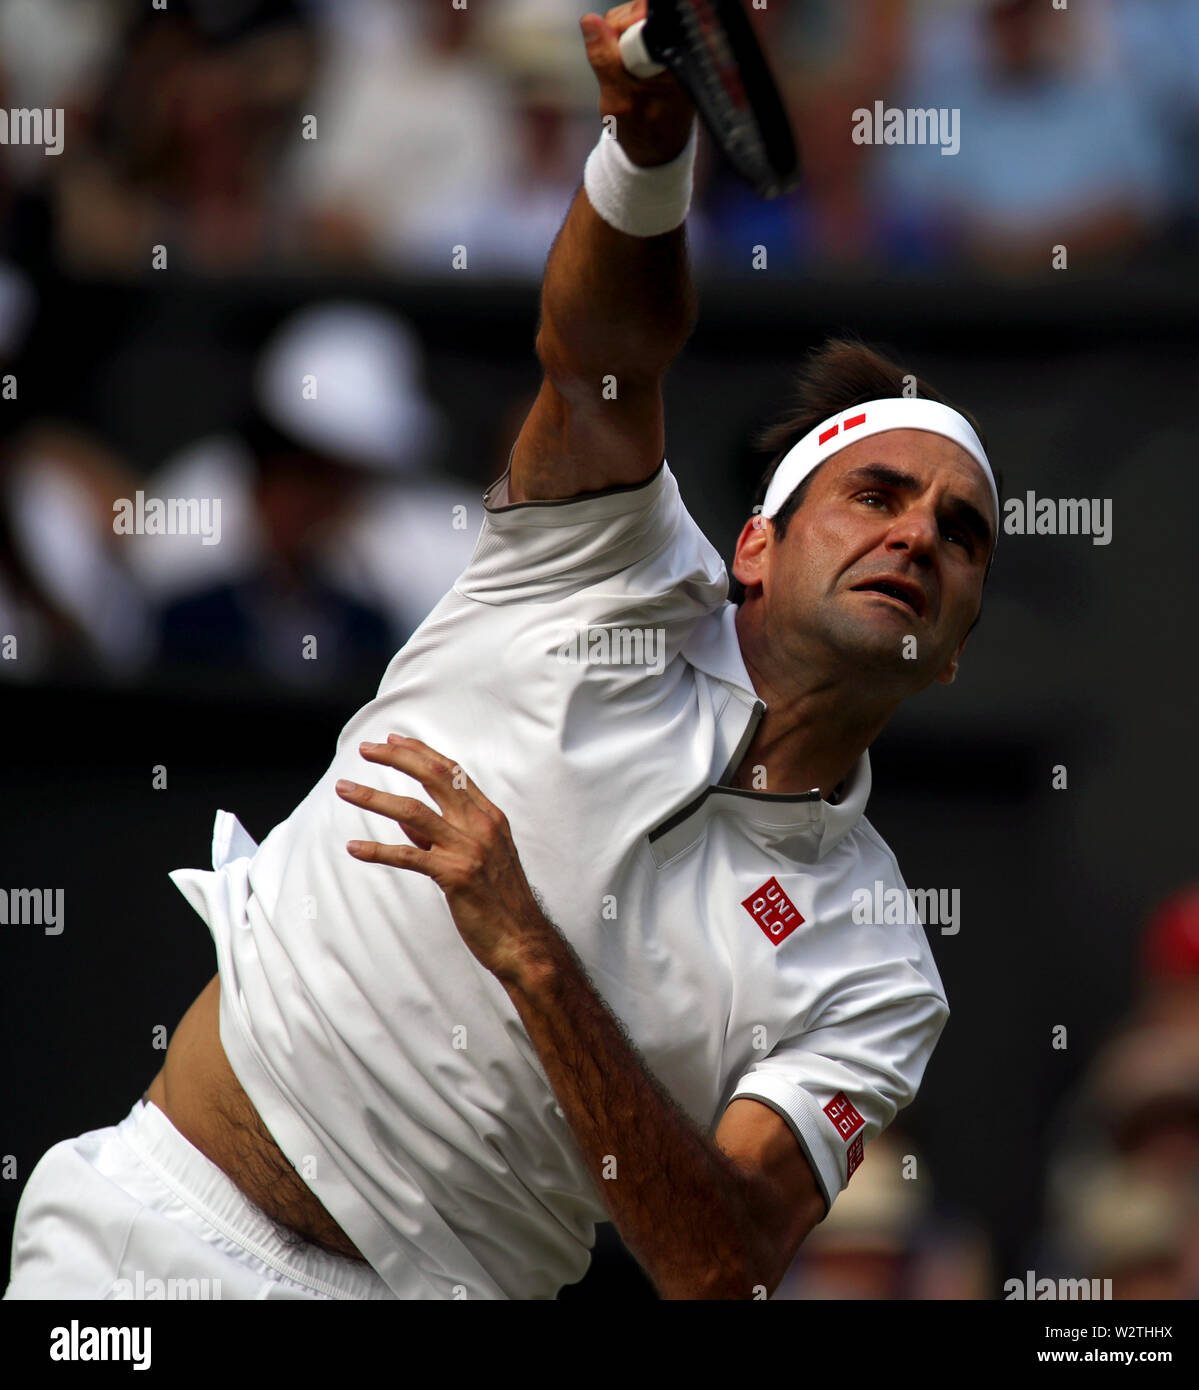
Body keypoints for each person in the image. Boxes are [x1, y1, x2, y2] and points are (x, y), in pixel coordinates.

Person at [5, 1, 1000, 1301]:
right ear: (753, 545)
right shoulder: (607, 566)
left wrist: (531, 951)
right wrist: (642, 156)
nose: (918, 533)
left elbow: (723, 1271)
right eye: (877, 494)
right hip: (152, 1242)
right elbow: (596, 351)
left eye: (962, 531)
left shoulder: (871, 956)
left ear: (950, 658)